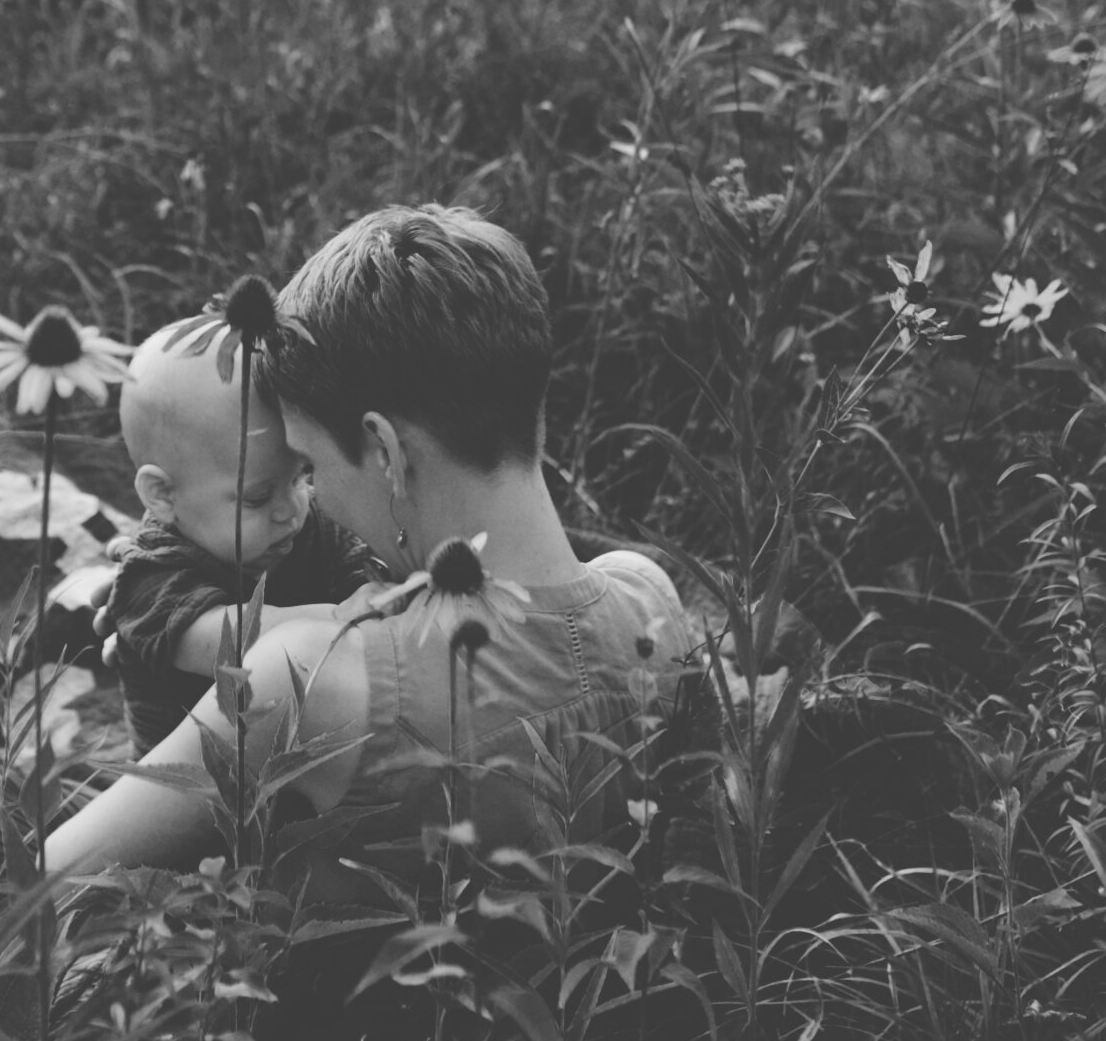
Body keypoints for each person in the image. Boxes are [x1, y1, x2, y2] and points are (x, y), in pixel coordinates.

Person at [44, 205, 691, 900]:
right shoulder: (651, 597)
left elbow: (37, 896)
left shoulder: (312, 674)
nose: (310, 501)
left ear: (384, 451)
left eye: (311, 465)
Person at [104, 318, 380, 754]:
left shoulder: (308, 527)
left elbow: (363, 570)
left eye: (299, 476)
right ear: (162, 494)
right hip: (191, 793)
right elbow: (234, 640)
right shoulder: (150, 579)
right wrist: (352, 614)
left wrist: (376, 589)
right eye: (257, 497)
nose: (291, 508)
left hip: (297, 761)